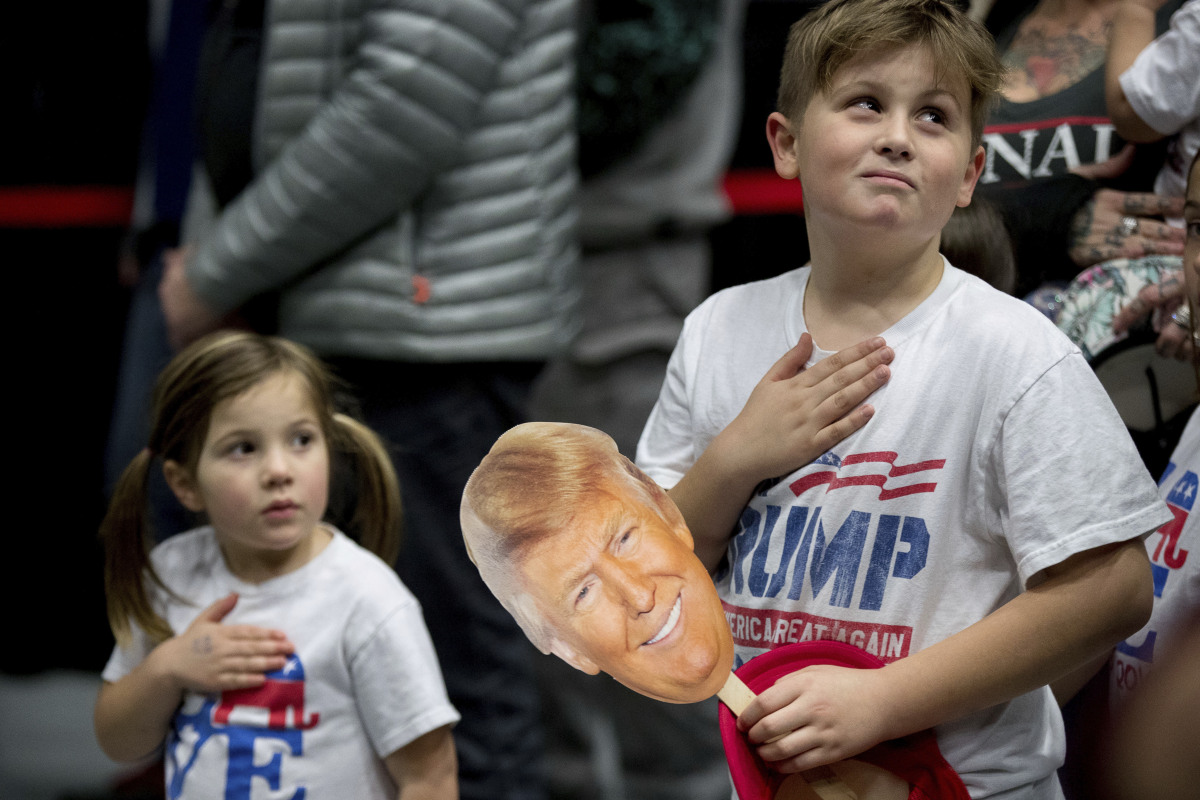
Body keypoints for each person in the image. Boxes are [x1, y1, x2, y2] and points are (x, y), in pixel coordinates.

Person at [635, 0, 1170, 796]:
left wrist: (886, 700)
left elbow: (1115, 587)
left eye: (934, 116)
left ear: (969, 175)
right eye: (865, 103)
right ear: (784, 143)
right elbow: (654, 579)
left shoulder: (1014, 351)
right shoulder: (719, 329)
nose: (897, 135)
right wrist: (737, 457)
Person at [148, 2, 579, 797]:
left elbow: (407, 99)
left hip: (426, 331)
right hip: (322, 306)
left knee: (452, 682)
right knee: (334, 678)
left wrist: (219, 271)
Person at [94, 331, 460, 800]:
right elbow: (117, 741)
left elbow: (430, 777)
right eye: (243, 448)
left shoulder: (368, 601)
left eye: (301, 440)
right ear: (184, 484)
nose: (279, 470)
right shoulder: (173, 572)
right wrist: (168, 668)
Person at [979, 0, 1187, 301]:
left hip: (1115, 321)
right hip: (968, 310)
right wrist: (1053, 213)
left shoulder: (1186, 22)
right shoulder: (980, 16)